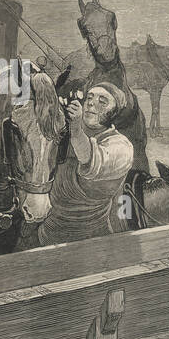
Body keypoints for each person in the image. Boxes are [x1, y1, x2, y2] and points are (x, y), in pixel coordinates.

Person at [37, 82, 135, 246]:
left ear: (115, 112)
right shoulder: (64, 133)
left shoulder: (121, 147)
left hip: (90, 239)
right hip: (47, 232)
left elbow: (89, 160)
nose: (91, 102)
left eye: (102, 101)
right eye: (89, 97)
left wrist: (75, 129)